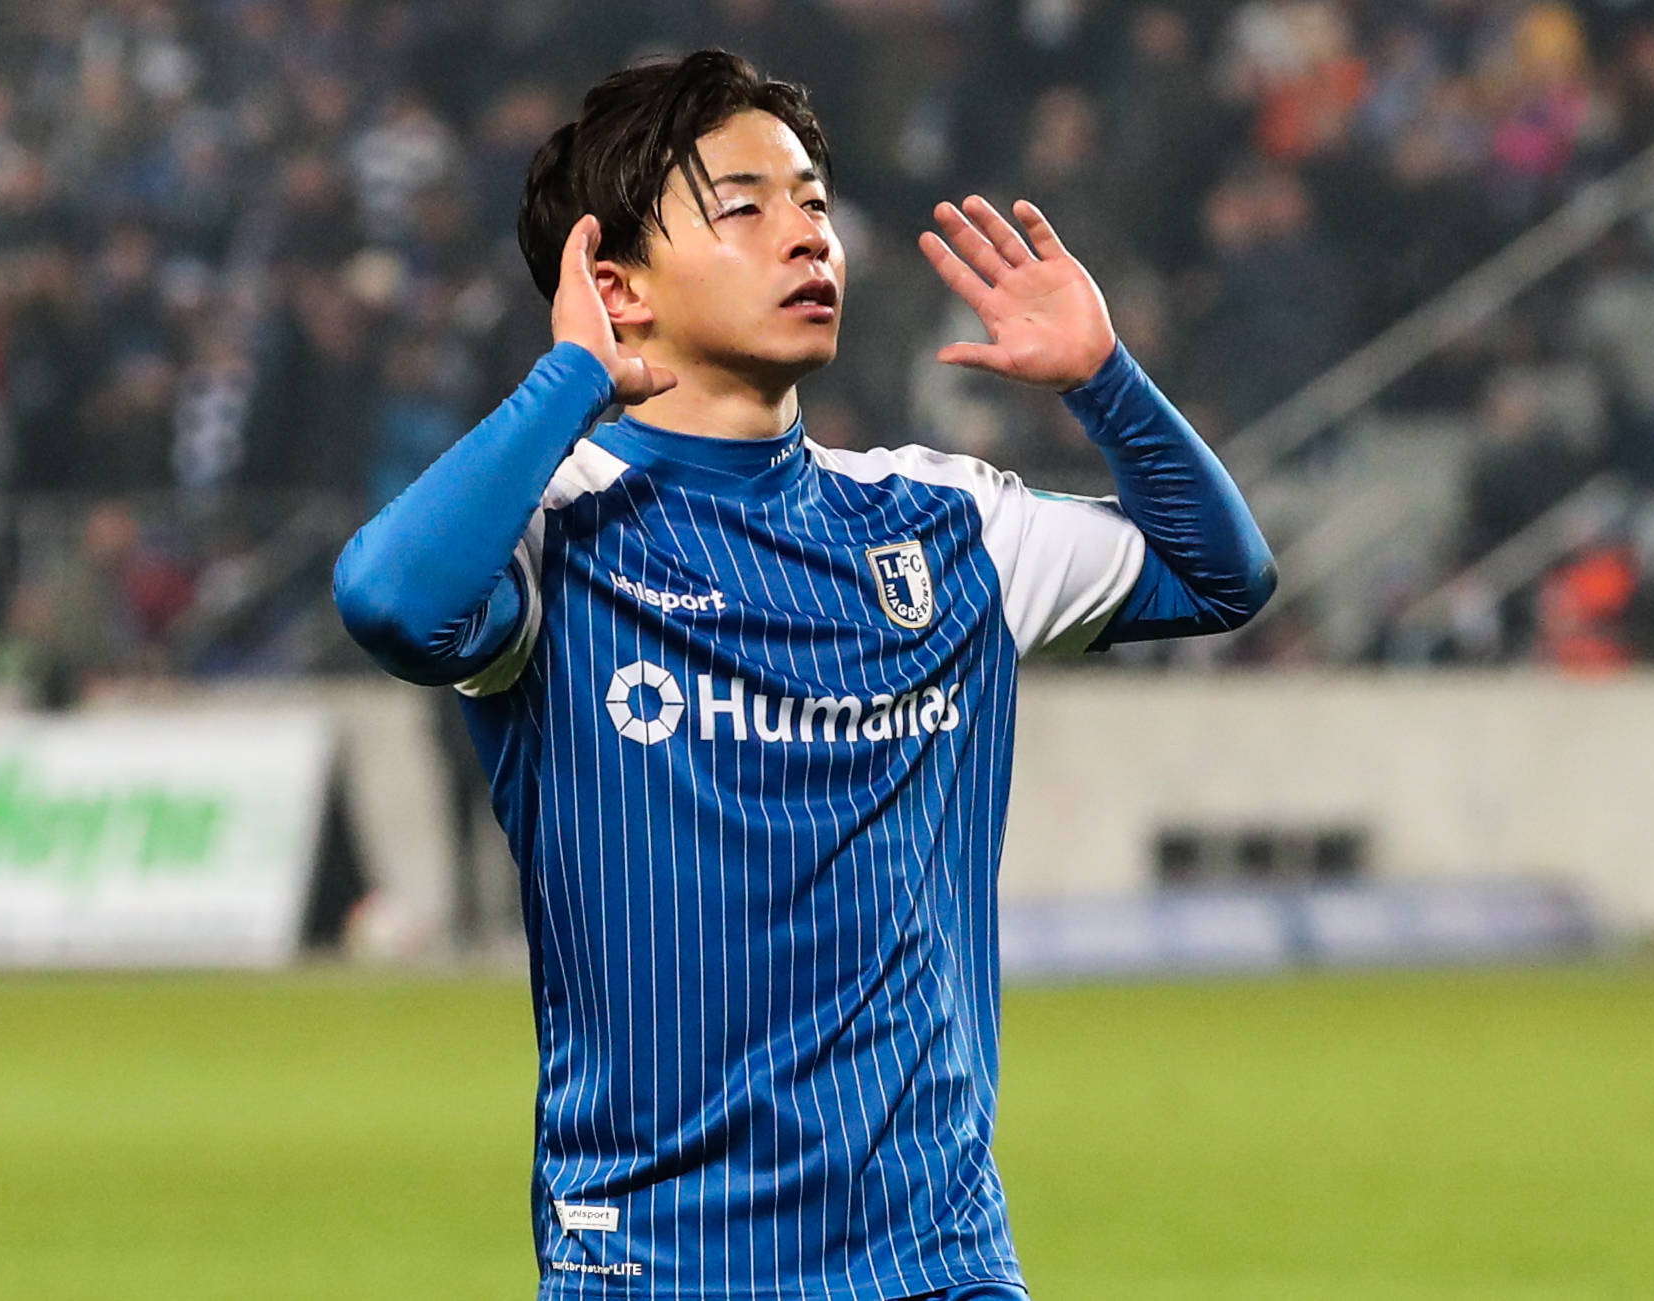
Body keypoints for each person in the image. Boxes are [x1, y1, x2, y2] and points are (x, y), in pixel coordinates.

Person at [334, 50, 1275, 1301]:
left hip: (934, 1261)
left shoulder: (946, 523)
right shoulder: (556, 534)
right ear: (615, 284)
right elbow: (390, 599)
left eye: (814, 203)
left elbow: (1221, 575)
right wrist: (569, 380)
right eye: (744, 207)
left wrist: (1105, 383)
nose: (806, 237)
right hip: (656, 1266)